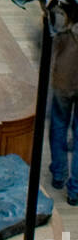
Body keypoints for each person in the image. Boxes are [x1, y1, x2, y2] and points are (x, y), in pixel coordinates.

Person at [49, 19, 78, 205]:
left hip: (64, 77)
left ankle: (59, 175)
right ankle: (75, 190)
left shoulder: (64, 5)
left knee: (59, 123)